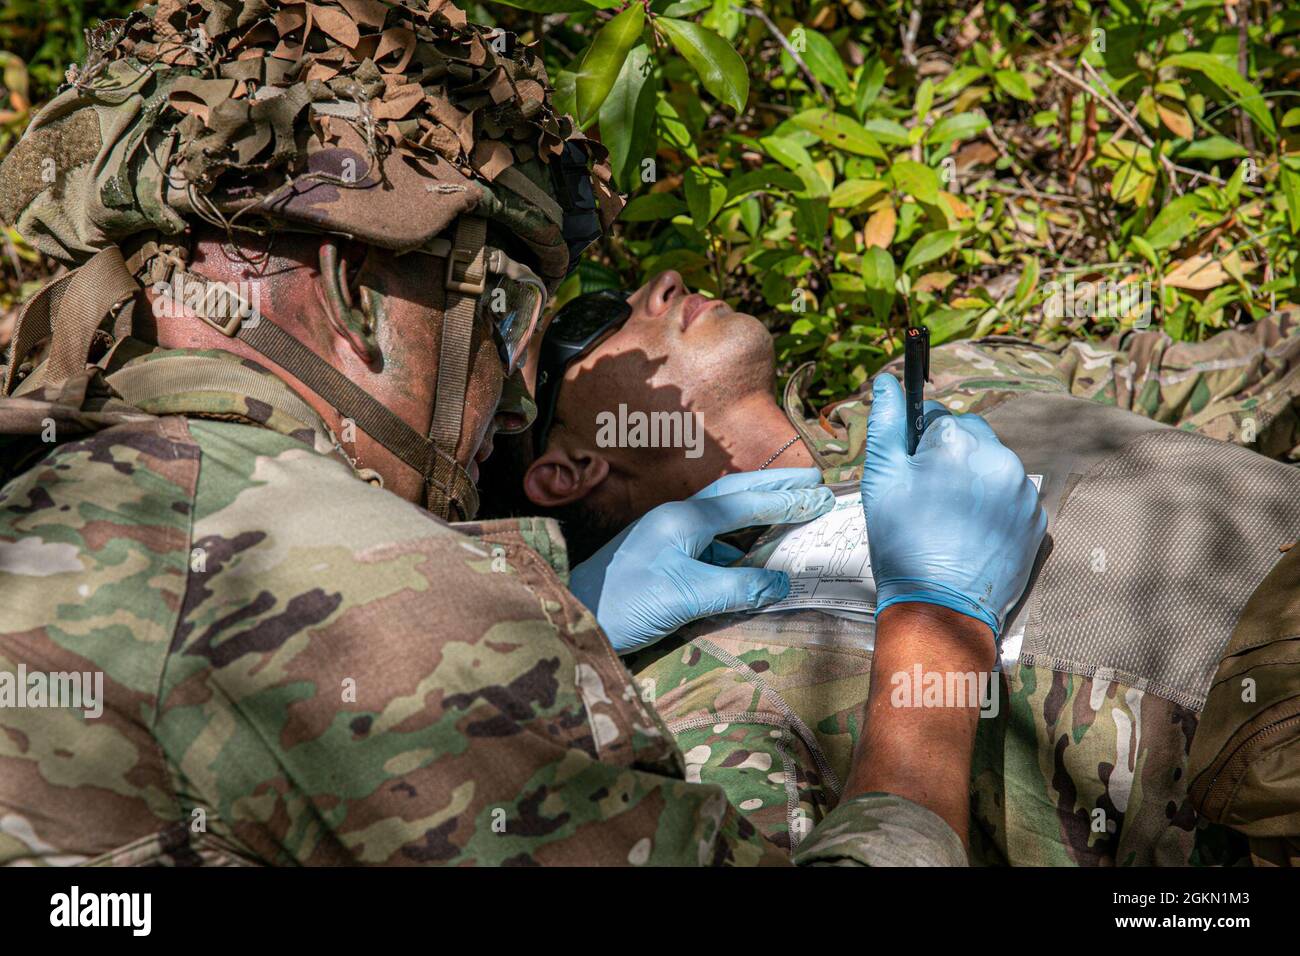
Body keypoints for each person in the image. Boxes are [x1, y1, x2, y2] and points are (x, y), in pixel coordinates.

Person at [0, 0, 1045, 866]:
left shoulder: (51, 488)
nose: (506, 401)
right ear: (347, 294)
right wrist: (933, 630)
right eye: (506, 318)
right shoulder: (353, 590)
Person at [486, 269, 1300, 864]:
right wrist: (936, 617)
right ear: (566, 469)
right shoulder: (684, 690)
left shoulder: (946, 383)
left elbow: (1240, 373)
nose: (657, 286)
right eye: (591, 324)